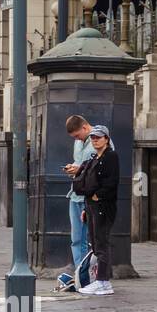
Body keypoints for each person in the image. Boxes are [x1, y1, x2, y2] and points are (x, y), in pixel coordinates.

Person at [78, 125, 120, 296]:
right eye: (93, 138)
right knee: (95, 243)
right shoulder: (94, 157)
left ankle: (103, 282)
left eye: (99, 137)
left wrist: (98, 196)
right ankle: (99, 280)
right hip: (91, 205)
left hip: (103, 206)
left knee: (101, 243)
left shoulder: (111, 156)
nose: (95, 140)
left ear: (107, 139)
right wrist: (86, 206)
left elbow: (112, 182)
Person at [62, 115, 94, 279]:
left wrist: (79, 169)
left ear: (85, 127)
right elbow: (80, 162)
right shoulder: (78, 142)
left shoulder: (97, 140)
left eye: (77, 135)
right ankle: (80, 275)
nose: (76, 139)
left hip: (89, 196)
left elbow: (98, 167)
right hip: (75, 194)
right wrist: (73, 168)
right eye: (74, 137)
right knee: (76, 238)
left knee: (90, 239)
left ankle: (88, 276)